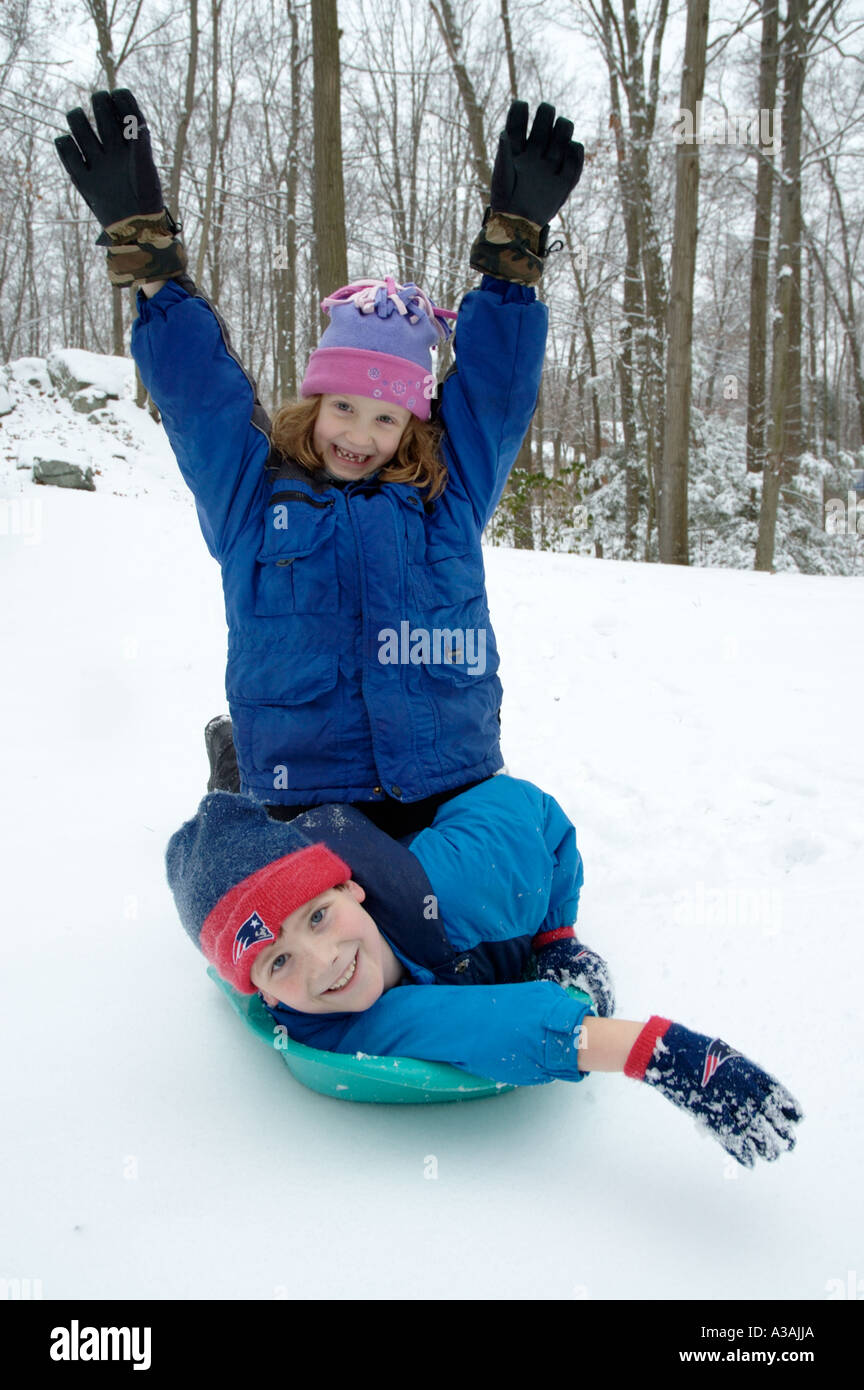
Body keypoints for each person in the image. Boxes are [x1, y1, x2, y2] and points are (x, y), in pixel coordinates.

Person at [55, 89, 584, 837]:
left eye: (385, 416)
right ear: (314, 401)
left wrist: (514, 252)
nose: (359, 435)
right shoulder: (255, 500)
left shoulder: (448, 497)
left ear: (412, 424)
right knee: (280, 914)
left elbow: (495, 395)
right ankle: (236, 769)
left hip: (444, 783)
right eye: (343, 407)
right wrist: (147, 255)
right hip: (305, 790)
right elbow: (202, 401)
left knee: (516, 858)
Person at [166, 769, 804, 1170]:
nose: (323, 961)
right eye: (278, 961)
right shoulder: (321, 1021)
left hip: (436, 788)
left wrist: (557, 935)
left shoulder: (468, 881)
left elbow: (535, 816)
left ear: (351, 891)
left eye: (317, 918)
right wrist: (656, 1052)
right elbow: (483, 1026)